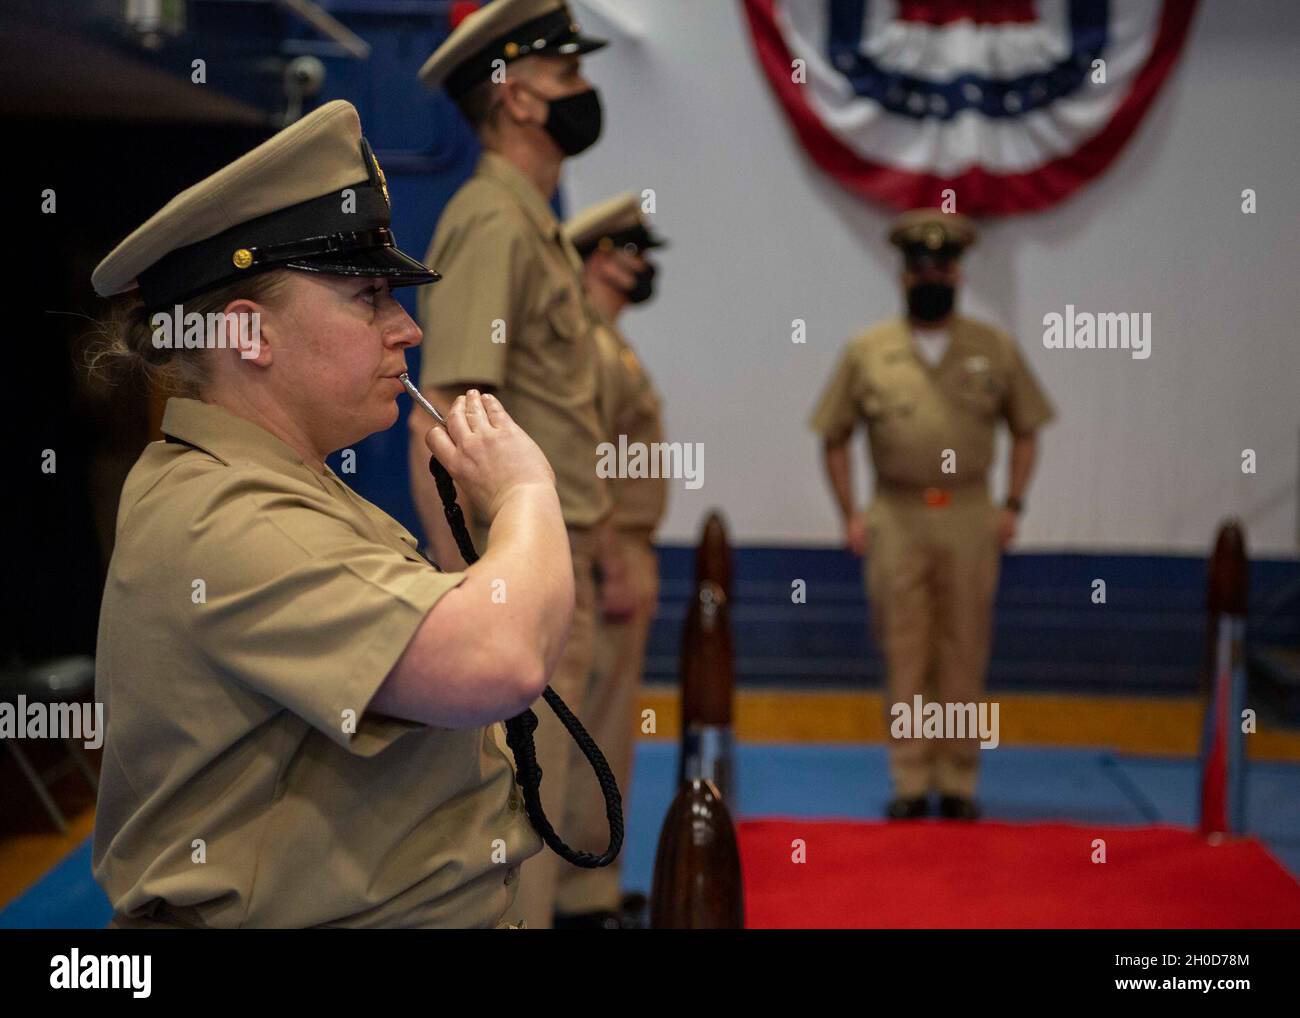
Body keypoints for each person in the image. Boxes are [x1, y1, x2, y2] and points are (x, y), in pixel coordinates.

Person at [89, 99, 573, 928]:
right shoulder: (227, 516)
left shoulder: (279, 480)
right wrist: (527, 493)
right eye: (369, 297)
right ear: (249, 335)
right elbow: (499, 658)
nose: (407, 330)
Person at [411, 0, 624, 928]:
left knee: (557, 778)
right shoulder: (493, 222)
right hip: (517, 564)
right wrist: (474, 591)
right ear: (519, 97)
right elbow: (446, 421)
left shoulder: (527, 221)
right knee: (521, 800)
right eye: (568, 73)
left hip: (553, 546)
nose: (584, 91)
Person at [810, 209, 1054, 821]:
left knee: (965, 650)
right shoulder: (869, 352)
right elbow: (833, 434)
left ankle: (959, 777)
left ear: (959, 273)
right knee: (904, 649)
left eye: (942, 265)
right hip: (898, 514)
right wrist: (850, 514)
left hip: (970, 513)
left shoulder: (992, 348)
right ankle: (911, 776)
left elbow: (1028, 428)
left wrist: (1013, 505)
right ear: (903, 276)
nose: (931, 276)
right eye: (919, 267)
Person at [554, 193, 668, 928]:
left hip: (622, 543)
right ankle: (577, 889)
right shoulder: (589, 346)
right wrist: (611, 562)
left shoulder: (609, 342)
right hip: (608, 547)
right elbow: (584, 460)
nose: (645, 265)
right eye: (635, 251)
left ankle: (590, 880)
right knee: (591, 720)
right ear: (602, 258)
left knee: (609, 719)